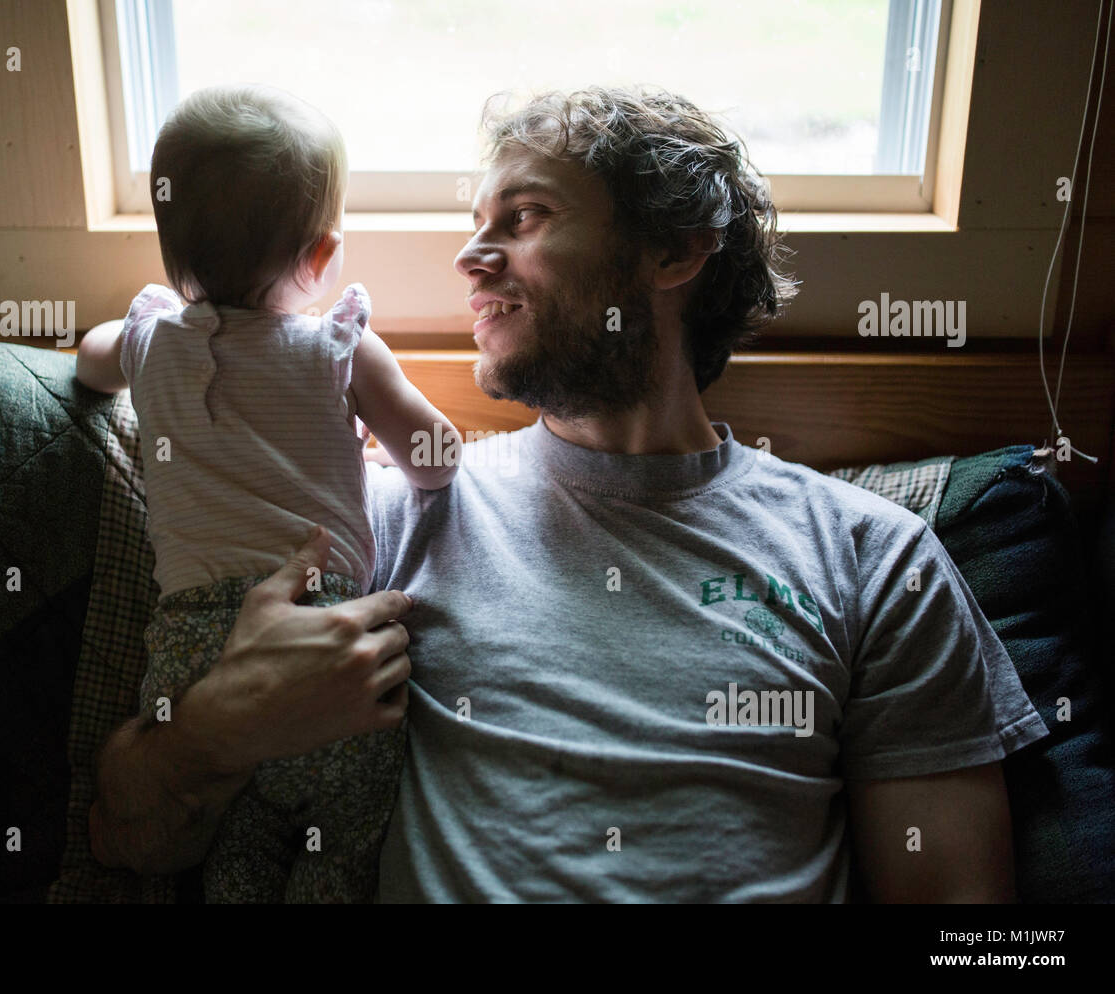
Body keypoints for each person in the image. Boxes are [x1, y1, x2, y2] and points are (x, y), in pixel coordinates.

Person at [89, 85, 1049, 902]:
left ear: (674, 251)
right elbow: (127, 839)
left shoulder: (873, 558)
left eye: (524, 217)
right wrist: (213, 729)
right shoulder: (381, 519)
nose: (470, 258)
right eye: (477, 225)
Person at [74, 85, 459, 902]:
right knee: (340, 843)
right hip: (331, 644)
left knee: (238, 847)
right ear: (319, 257)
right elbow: (434, 462)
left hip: (191, 660)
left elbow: (87, 363)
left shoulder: (150, 340)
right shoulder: (337, 350)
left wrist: (133, 340)